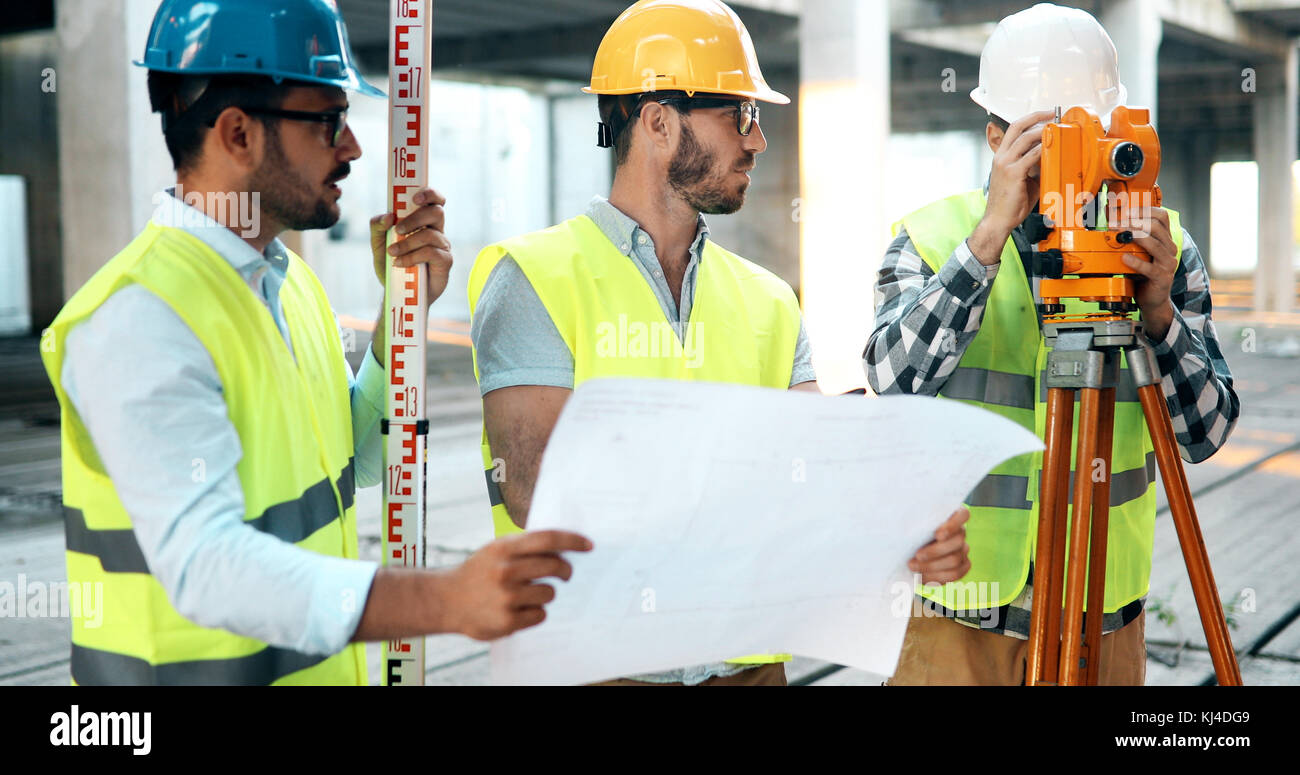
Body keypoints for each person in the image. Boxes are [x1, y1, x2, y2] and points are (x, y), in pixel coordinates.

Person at [38, 0, 589, 686]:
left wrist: (403, 314)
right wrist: (446, 598)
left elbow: (352, 458)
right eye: (328, 120)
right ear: (238, 133)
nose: (354, 147)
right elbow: (207, 566)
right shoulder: (138, 319)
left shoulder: (289, 282)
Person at [467, 0, 971, 687]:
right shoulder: (533, 279)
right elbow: (542, 498)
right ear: (657, 121)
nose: (758, 140)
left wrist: (897, 521)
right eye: (740, 114)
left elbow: (814, 478)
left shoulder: (768, 297)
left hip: (750, 670)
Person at [866, 3, 1240, 686]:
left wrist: (1157, 310)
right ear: (995, 137)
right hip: (958, 628)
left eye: (1086, 139)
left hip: (1103, 629)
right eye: (1047, 138)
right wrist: (981, 247)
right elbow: (892, 384)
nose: (1070, 164)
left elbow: (1207, 431)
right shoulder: (931, 238)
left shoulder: (1160, 246)